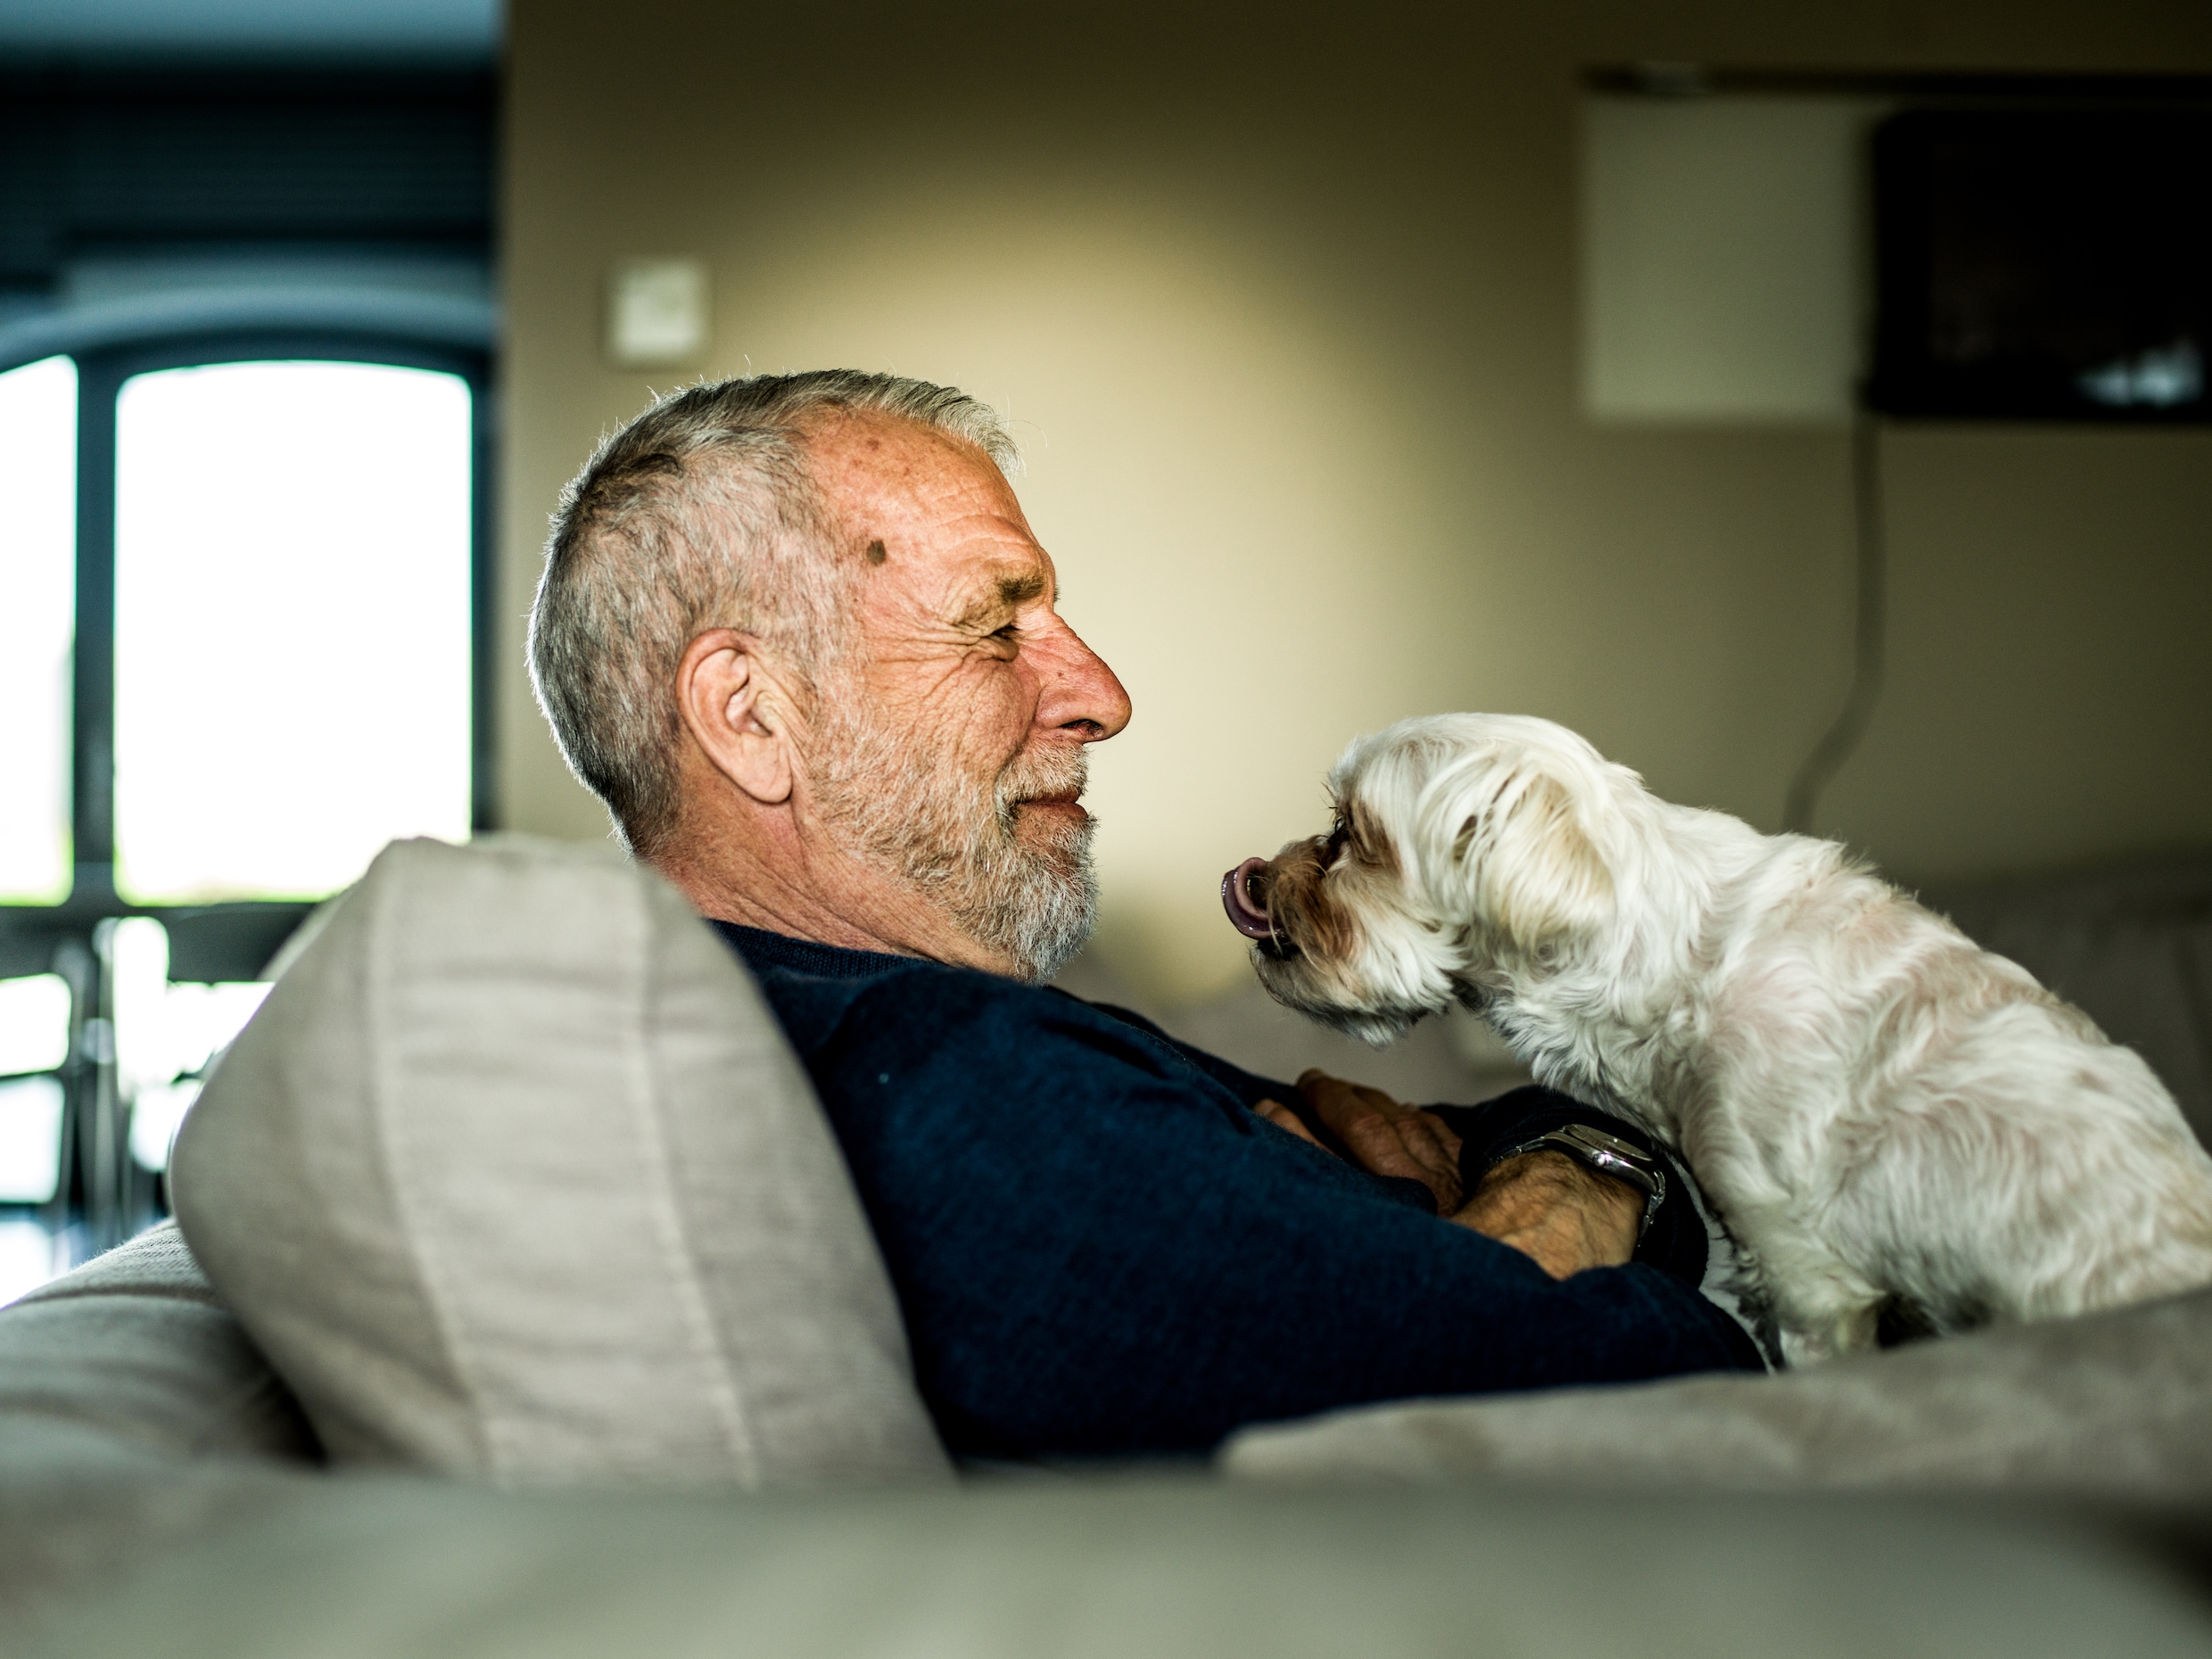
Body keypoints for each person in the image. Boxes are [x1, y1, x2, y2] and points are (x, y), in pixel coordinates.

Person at [527, 371, 1762, 1460]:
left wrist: (1561, 1166)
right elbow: (1671, 1384)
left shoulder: (850, 1024)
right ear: (748, 715)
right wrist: (1573, 1194)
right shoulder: (959, 1086)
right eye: (992, 624)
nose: (1102, 698)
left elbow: (1491, 1126)